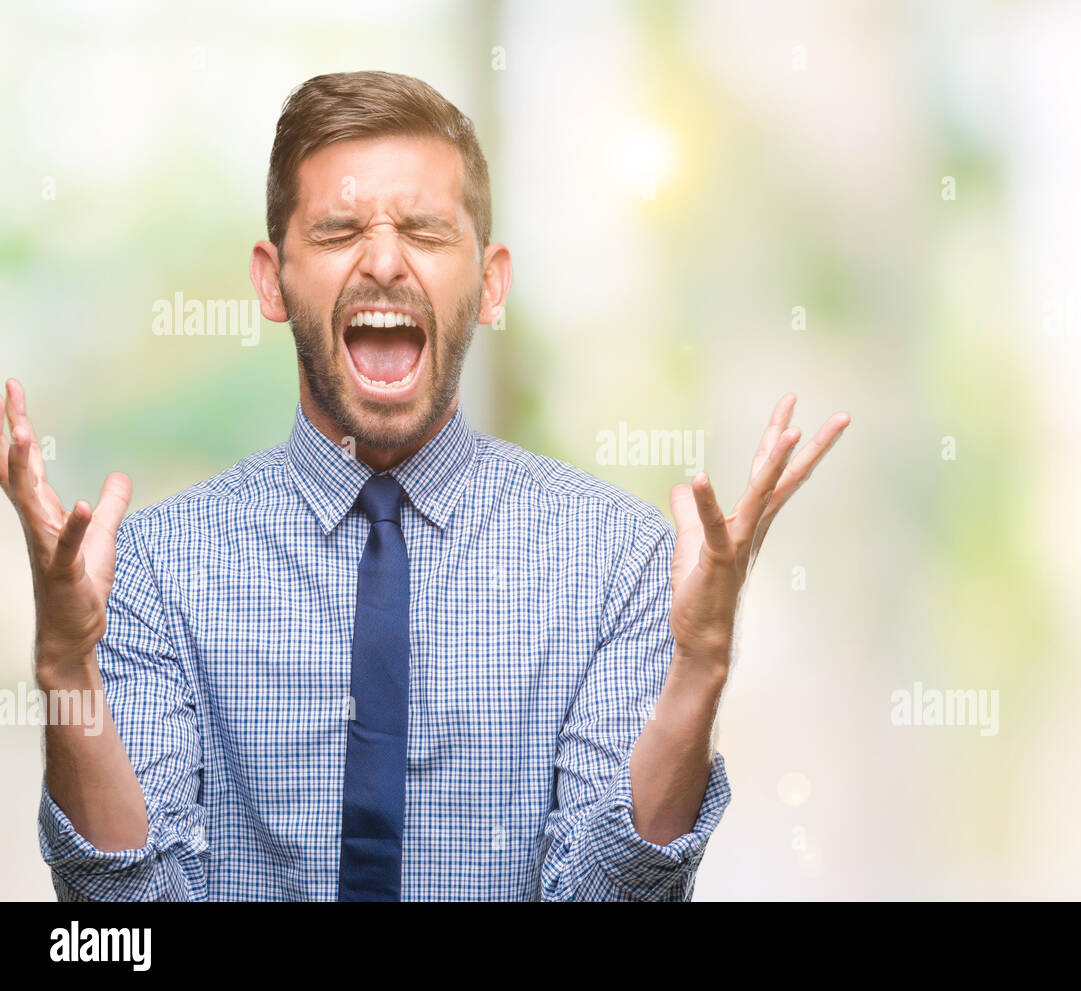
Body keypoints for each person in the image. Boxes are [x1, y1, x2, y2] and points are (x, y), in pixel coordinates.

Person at [3, 70, 849, 901]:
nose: (382, 260)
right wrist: (66, 668)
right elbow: (126, 922)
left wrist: (700, 664)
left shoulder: (621, 563)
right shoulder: (152, 570)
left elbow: (609, 899)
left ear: (489, 283)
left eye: (425, 230)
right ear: (271, 278)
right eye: (338, 231)